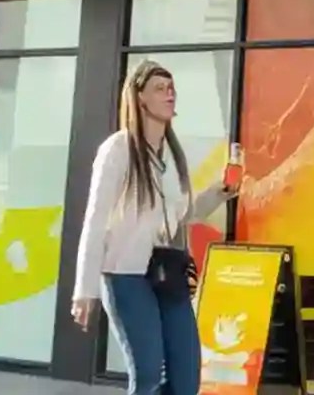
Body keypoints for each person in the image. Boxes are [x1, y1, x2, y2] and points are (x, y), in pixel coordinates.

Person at [71, 60, 237, 395]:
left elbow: (181, 215)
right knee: (147, 376)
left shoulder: (174, 154)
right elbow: (95, 218)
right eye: (160, 88)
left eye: (171, 87)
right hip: (126, 275)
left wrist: (220, 192)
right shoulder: (117, 150)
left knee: (185, 378)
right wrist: (84, 290)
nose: (169, 94)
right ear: (140, 98)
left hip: (167, 272)